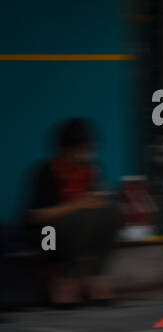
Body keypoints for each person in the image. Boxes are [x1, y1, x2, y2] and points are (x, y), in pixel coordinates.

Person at [26, 118, 124, 308]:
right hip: (47, 236)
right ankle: (64, 281)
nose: (85, 153)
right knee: (78, 219)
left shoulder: (91, 171)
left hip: (78, 233)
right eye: (80, 148)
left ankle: (95, 275)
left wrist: (98, 203)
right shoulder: (46, 171)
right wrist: (76, 205)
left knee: (110, 214)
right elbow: (35, 216)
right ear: (66, 149)